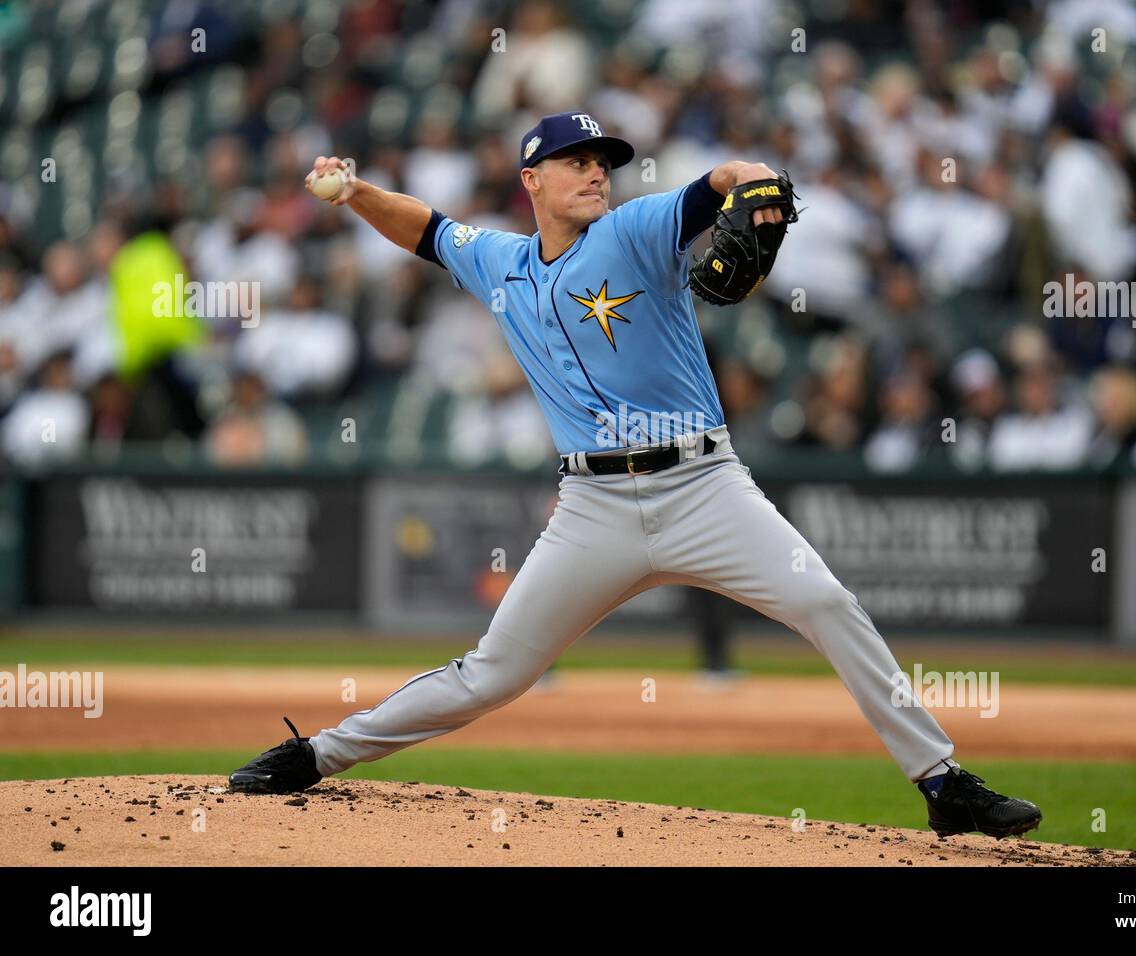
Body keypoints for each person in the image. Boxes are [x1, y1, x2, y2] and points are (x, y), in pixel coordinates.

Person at [227, 112, 1042, 839]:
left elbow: (720, 182)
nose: (594, 171)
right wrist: (357, 192)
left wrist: (752, 179)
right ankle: (317, 756)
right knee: (493, 674)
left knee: (827, 602)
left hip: (705, 489)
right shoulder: (499, 261)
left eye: (602, 160)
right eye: (576, 159)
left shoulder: (637, 229)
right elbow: (428, 230)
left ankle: (942, 783)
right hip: (594, 507)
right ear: (530, 180)